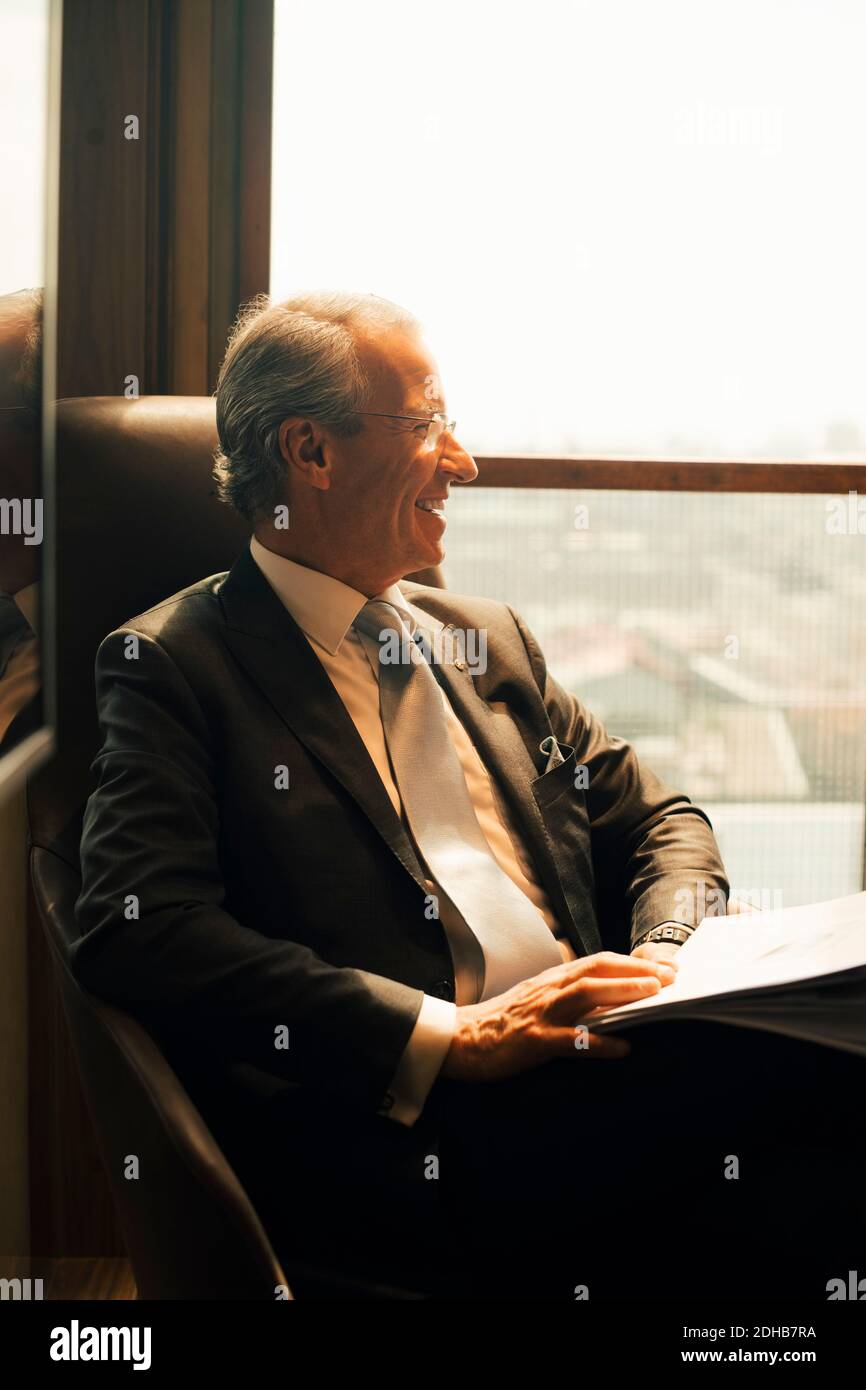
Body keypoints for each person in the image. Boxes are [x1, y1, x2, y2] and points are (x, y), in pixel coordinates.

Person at [73, 292, 863, 1299]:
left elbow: (659, 820)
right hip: (420, 1134)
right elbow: (141, 928)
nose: (464, 460)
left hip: (608, 1059)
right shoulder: (173, 667)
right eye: (429, 423)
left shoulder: (487, 641)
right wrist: (453, 1039)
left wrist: (668, 961)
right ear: (309, 452)